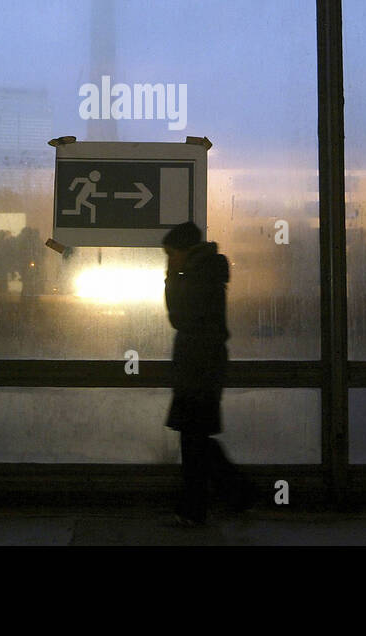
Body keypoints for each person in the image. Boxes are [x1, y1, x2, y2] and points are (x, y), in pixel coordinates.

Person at [162, 221, 253, 526]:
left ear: (184, 251)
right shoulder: (206, 273)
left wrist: (171, 278)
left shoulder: (196, 277)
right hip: (203, 364)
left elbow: (178, 317)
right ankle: (233, 493)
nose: (169, 260)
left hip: (197, 366)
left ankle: (199, 506)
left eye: (170, 254)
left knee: (193, 439)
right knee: (196, 436)